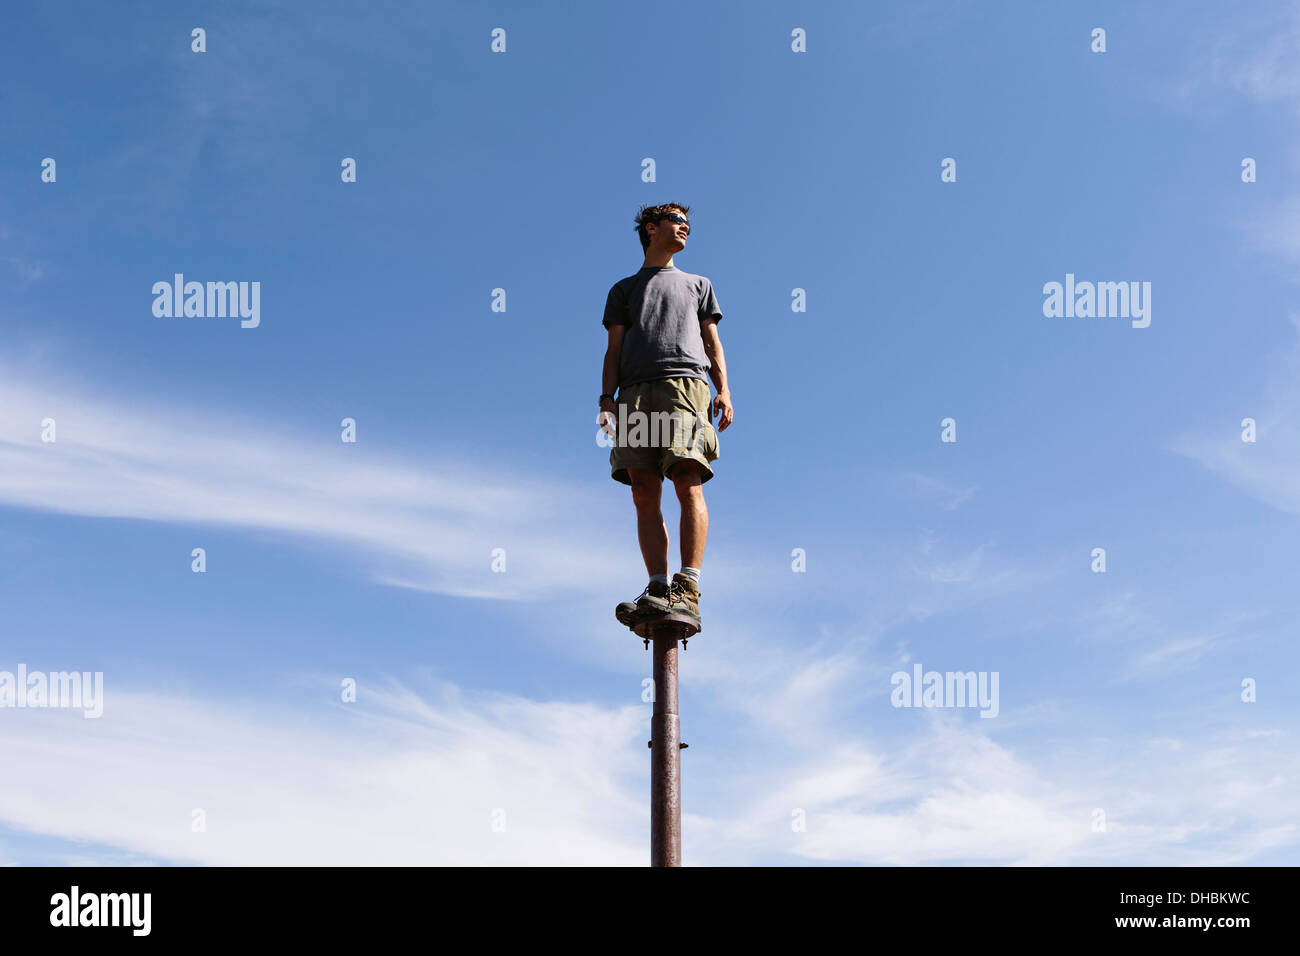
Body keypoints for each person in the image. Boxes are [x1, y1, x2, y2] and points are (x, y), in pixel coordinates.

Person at [599, 203, 734, 629]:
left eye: (688, 223)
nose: (686, 228)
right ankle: (658, 587)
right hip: (635, 392)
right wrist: (606, 399)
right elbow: (614, 349)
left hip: (684, 385)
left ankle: (688, 586)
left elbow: (713, 342)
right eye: (678, 221)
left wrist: (724, 389)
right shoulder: (623, 290)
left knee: (686, 476)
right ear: (651, 228)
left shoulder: (698, 284)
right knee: (642, 488)